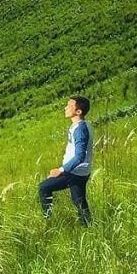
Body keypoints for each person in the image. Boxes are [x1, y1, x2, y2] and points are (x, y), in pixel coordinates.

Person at [38, 95, 93, 225]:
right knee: (79, 202)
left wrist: (60, 170)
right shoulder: (82, 125)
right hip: (81, 171)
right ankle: (89, 227)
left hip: (75, 172)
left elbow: (79, 156)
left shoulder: (80, 129)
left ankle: (48, 222)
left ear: (78, 112)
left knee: (43, 187)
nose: (65, 107)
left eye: (69, 106)